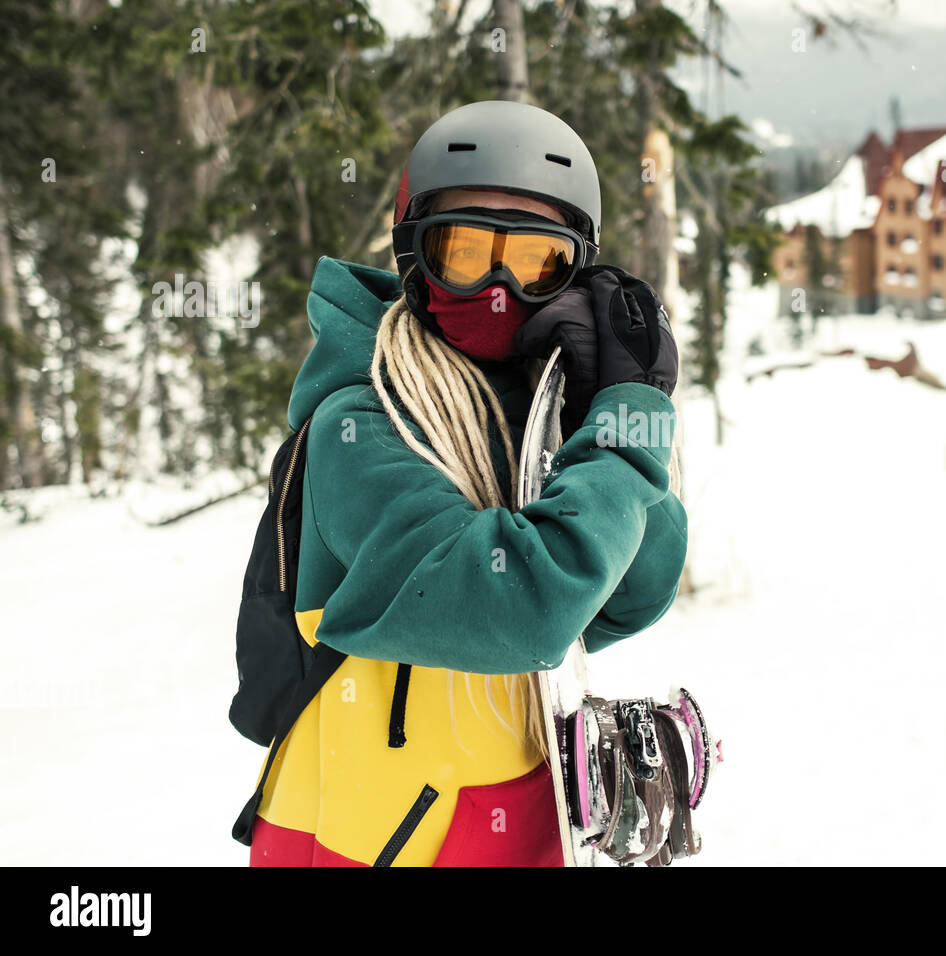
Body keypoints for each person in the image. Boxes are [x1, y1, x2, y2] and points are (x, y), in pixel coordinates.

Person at [247, 100, 688, 867]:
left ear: (574, 275)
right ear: (413, 250)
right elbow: (518, 610)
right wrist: (628, 431)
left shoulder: (538, 406)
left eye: (534, 263)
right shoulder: (359, 420)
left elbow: (627, 595)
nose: (496, 288)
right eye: (464, 249)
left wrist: (598, 409)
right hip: (367, 835)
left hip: (522, 804)